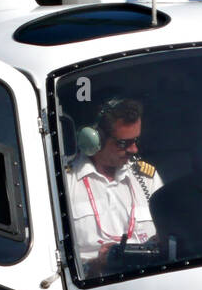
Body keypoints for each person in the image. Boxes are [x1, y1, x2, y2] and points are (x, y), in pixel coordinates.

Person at [65, 98, 164, 277]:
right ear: (94, 139)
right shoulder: (66, 180)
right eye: (123, 143)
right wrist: (98, 264)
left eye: (136, 141)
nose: (133, 149)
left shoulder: (147, 178)